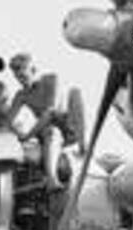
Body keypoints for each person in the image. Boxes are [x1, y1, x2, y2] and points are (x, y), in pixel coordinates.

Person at [7, 53, 81, 187]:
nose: (20, 81)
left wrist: (27, 135)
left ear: (33, 70)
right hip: (43, 132)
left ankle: (52, 179)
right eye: (17, 77)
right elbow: (7, 120)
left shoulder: (51, 80)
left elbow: (50, 112)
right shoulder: (21, 95)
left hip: (66, 130)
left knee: (52, 130)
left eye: (23, 76)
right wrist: (17, 132)